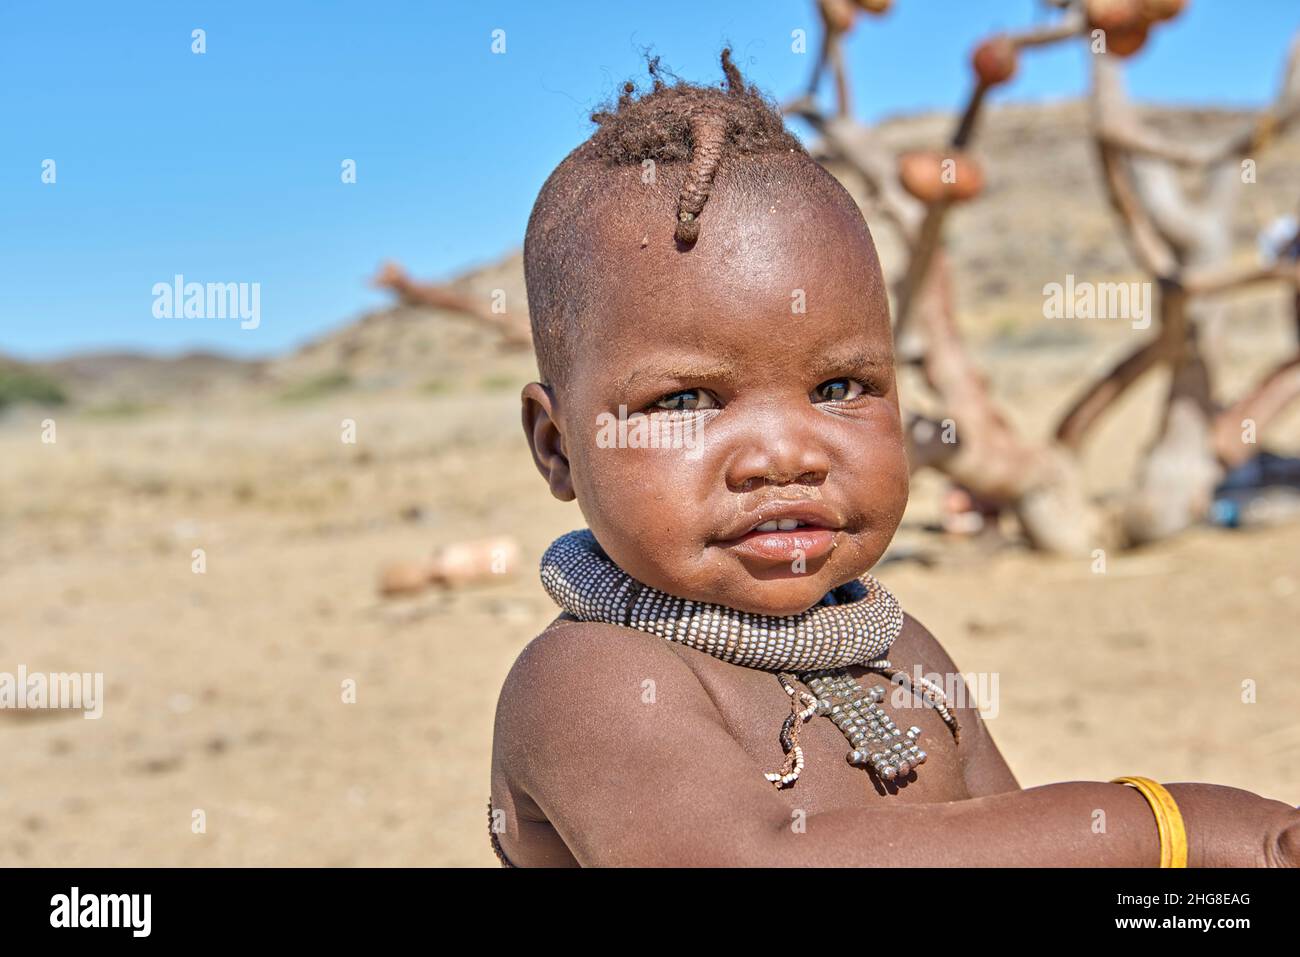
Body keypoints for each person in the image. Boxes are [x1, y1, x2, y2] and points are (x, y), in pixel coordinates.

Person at [487, 50, 1300, 867]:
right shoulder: (588, 681)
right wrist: (1158, 827)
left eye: (840, 385)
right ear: (557, 447)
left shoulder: (901, 648)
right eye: (687, 402)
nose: (785, 456)